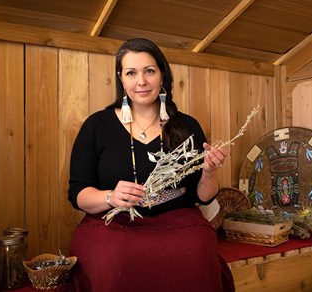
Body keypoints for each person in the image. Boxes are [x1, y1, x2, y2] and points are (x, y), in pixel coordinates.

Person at [68, 38, 234, 291]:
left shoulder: (187, 126)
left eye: (149, 71)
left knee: (197, 250)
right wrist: (111, 197)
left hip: (178, 222)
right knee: (113, 257)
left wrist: (209, 172)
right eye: (131, 73)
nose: (141, 81)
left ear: (162, 75)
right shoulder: (97, 126)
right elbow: (78, 194)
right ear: (121, 78)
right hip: (113, 224)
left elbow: (204, 197)